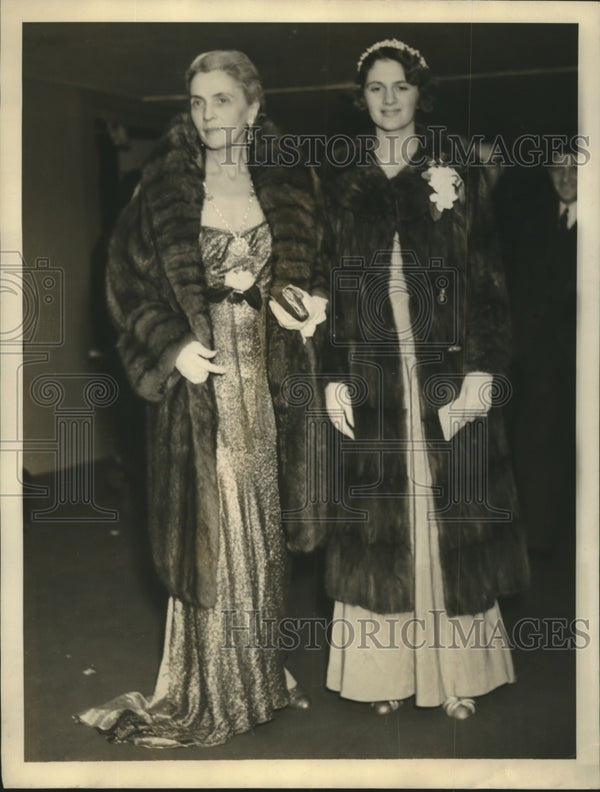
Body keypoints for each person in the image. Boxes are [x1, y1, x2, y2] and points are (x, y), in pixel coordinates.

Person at [75, 50, 327, 748]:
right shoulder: (160, 187)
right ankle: (210, 690)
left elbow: (318, 264)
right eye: (195, 101)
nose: (206, 114)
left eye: (220, 99)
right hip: (200, 385)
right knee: (213, 531)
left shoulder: (292, 179)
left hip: (270, 383)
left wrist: (307, 305)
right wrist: (171, 347)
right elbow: (123, 285)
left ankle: (259, 679)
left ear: (252, 104)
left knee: (264, 528)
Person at [319, 39, 530, 719]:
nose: (388, 100)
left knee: (451, 522)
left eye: (400, 87)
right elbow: (328, 289)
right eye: (376, 88)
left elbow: (491, 284)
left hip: (445, 373)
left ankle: (456, 676)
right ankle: (383, 677)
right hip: (372, 376)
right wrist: (329, 375)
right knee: (384, 524)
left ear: (419, 93)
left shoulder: (456, 168)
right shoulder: (343, 181)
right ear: (363, 97)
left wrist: (485, 372)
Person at [493, 152, 577, 554]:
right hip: (536, 372)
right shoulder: (533, 224)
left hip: (577, 372)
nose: (566, 176)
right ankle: (539, 550)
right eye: (558, 167)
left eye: (577, 167)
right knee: (533, 457)